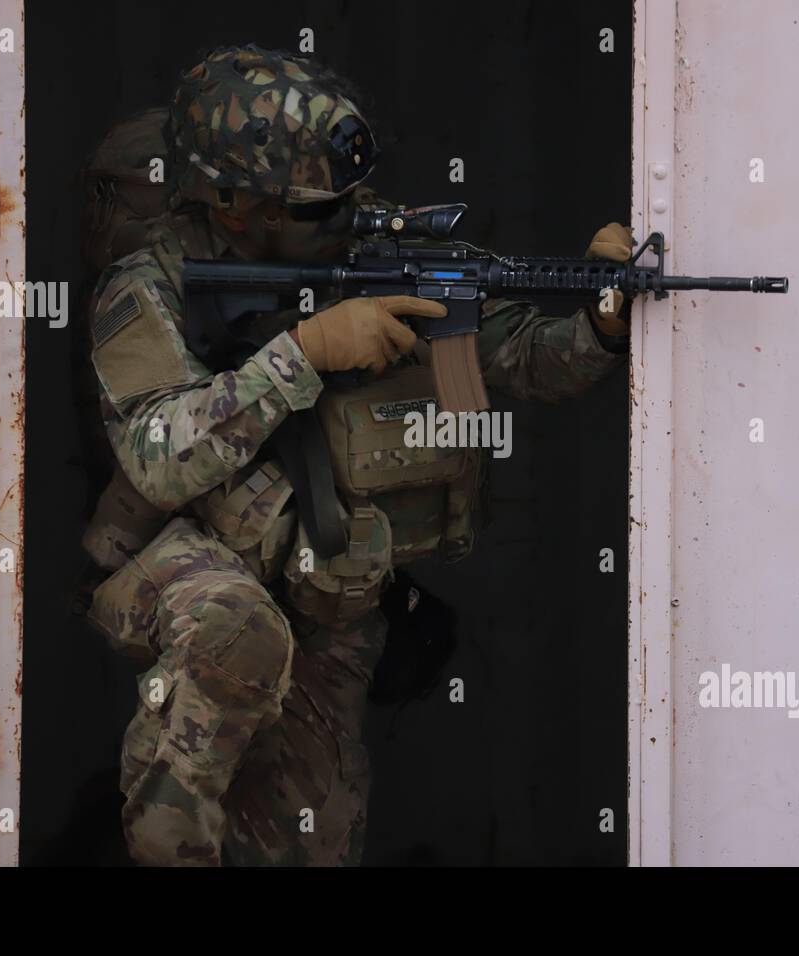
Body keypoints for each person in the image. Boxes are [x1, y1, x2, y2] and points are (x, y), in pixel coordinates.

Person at [81, 43, 631, 865]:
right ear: (232, 202)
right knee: (236, 635)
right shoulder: (149, 282)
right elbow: (159, 456)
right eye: (311, 209)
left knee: (317, 837)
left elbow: (515, 355)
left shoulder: (362, 243)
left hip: (331, 586)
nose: (341, 218)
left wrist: (596, 324)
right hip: (179, 567)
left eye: (343, 201)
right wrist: (303, 352)